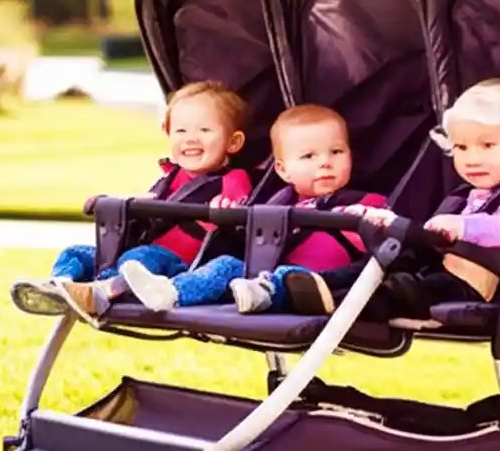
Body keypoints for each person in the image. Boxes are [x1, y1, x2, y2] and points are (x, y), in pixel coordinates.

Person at [273, 78, 500, 321]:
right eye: (461, 147)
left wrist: (463, 227)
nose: (472, 158)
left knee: (403, 290)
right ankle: (313, 285)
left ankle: (333, 303)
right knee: (378, 264)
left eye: (487, 145)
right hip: (437, 267)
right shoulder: (467, 196)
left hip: (472, 284)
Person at [9, 80, 253, 325]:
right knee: (76, 253)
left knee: (141, 256)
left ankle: (104, 292)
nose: (191, 139)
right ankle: (61, 288)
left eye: (204, 130)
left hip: (183, 266)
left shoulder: (233, 179)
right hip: (137, 263)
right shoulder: (169, 178)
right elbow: (149, 206)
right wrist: (130, 203)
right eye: (181, 131)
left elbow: (241, 208)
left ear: (233, 142)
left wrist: (226, 208)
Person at [117, 104, 387, 312]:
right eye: (309, 156)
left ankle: (259, 293)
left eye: (337, 152)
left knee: (288, 278)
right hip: (253, 278)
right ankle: (170, 292)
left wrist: (367, 220)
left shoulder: (366, 202)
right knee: (226, 265)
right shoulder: (273, 203)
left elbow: (384, 231)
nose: (325, 162)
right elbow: (242, 244)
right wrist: (226, 218)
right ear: (283, 170)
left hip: (316, 286)